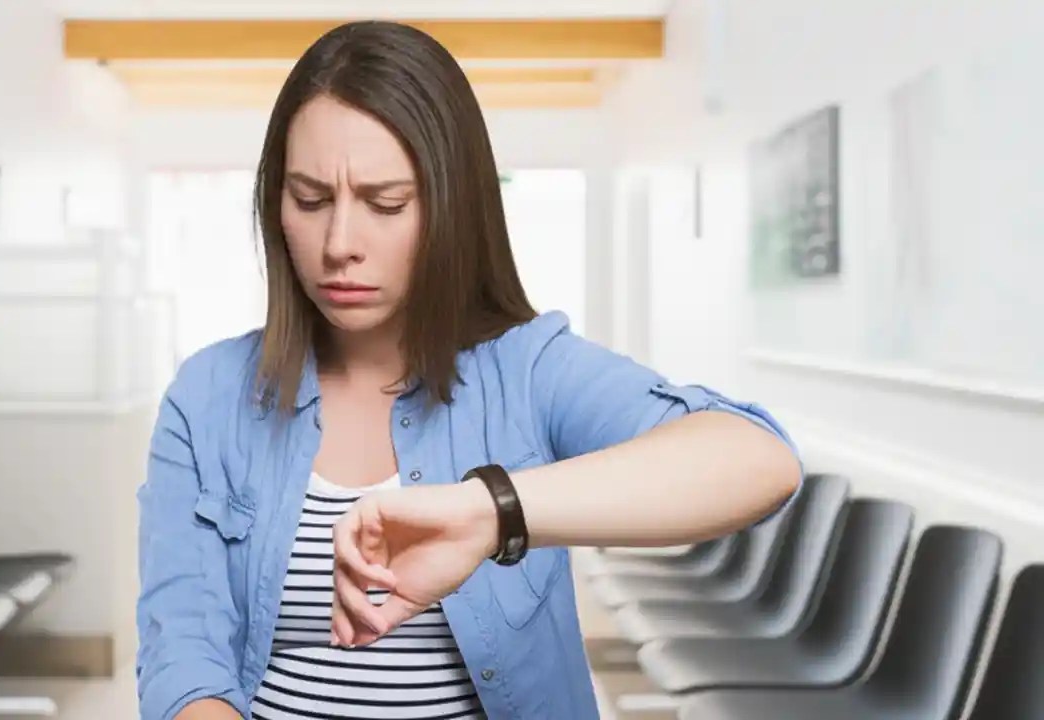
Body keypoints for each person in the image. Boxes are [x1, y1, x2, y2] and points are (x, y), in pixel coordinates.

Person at [136, 19, 802, 720]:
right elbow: (184, 657)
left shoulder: (529, 370)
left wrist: (492, 512)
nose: (339, 244)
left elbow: (759, 460)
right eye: (310, 199)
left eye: (385, 203)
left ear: (452, 208)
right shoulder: (207, 396)